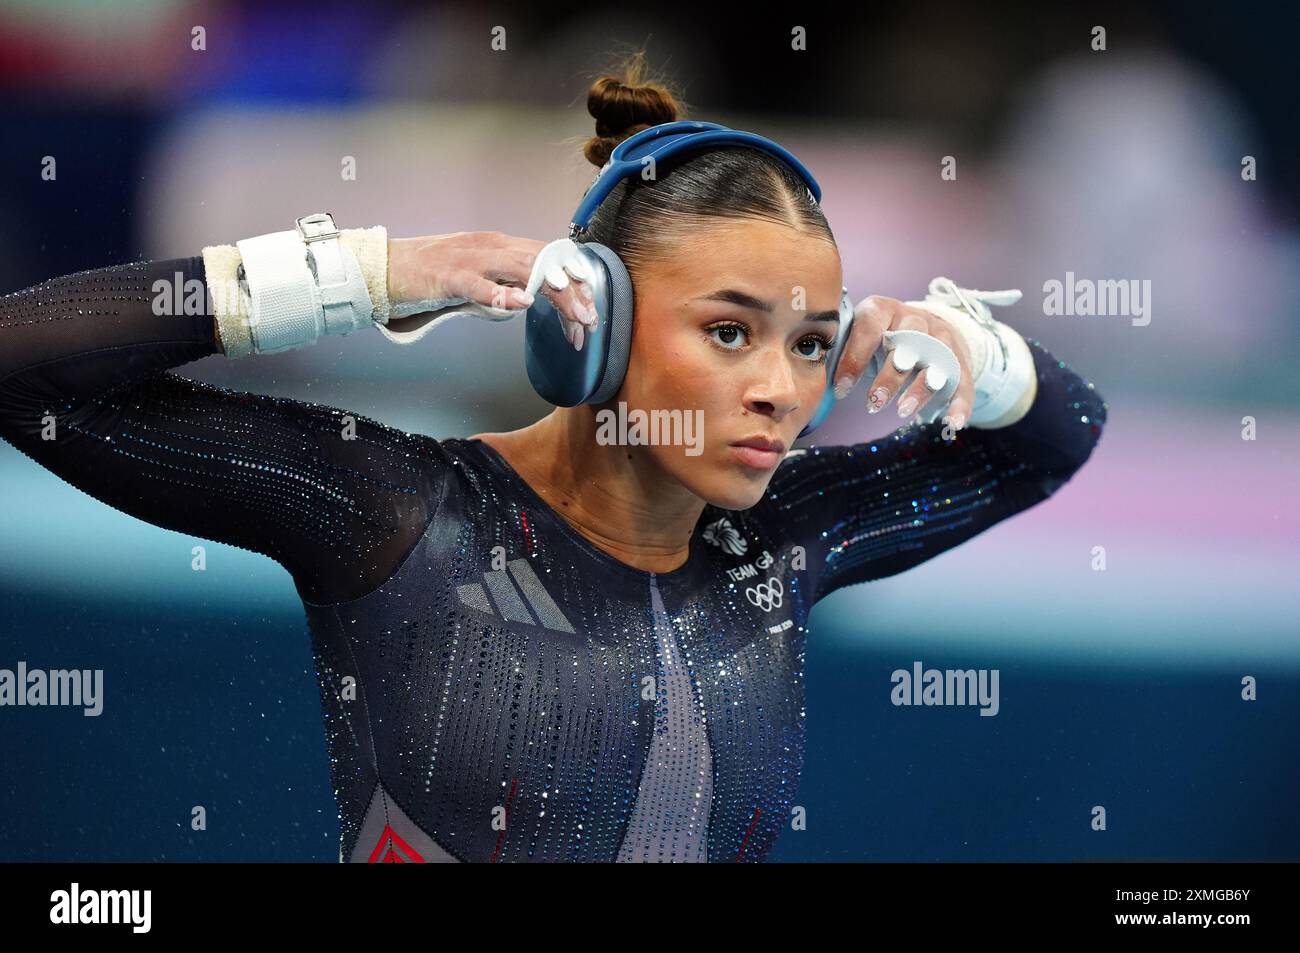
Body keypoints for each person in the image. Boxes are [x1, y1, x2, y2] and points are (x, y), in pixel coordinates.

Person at [0, 60, 1106, 863]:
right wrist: (363, 272)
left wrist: (986, 355)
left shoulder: (775, 544)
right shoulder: (403, 512)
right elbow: (21, 365)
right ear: (593, 328)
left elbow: (1060, 434)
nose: (784, 385)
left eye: (813, 340)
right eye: (729, 330)